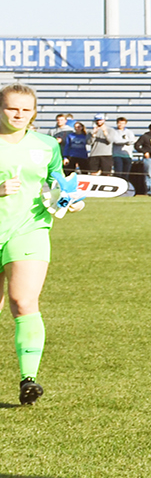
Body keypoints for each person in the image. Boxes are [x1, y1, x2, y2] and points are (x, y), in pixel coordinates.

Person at [0, 85, 67, 406]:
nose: (19, 115)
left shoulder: (46, 144)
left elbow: (58, 181)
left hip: (30, 228)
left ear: (34, 113)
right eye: (12, 108)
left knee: (23, 301)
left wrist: (67, 199)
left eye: (26, 110)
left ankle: (29, 380)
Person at [134, 122, 151, 196]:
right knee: (149, 175)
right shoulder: (145, 136)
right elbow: (137, 145)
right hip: (149, 158)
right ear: (150, 130)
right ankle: (150, 191)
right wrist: (144, 152)